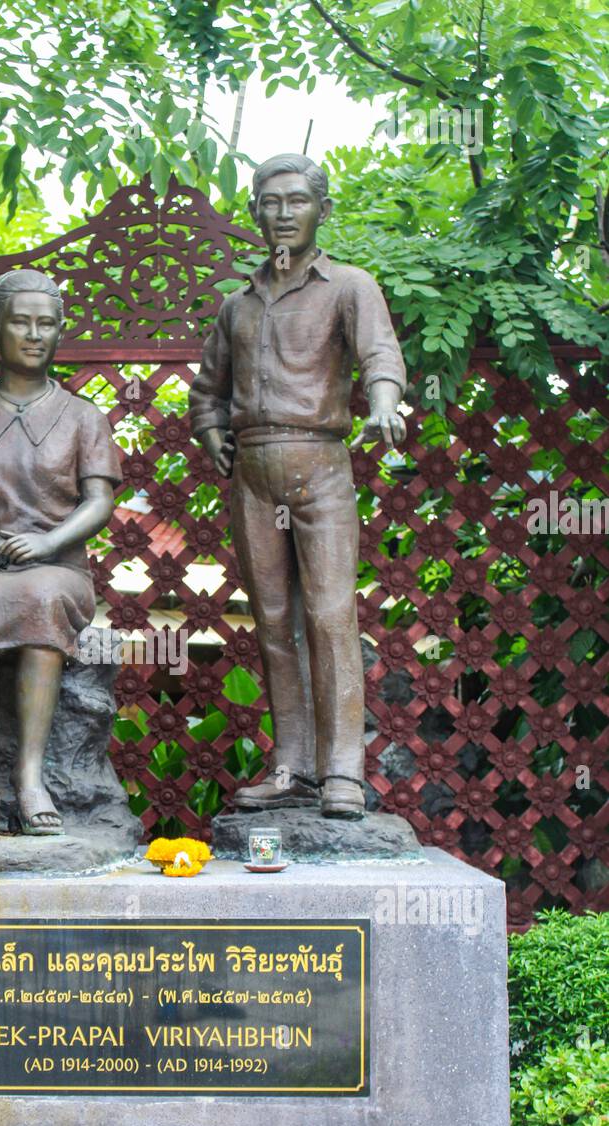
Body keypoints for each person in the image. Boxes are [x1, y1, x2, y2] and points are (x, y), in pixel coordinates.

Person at [189, 152, 407, 820]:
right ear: (253, 211)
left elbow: (379, 356)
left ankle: (342, 771)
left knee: (330, 614)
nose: (281, 213)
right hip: (252, 476)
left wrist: (382, 403)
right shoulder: (237, 305)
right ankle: (291, 766)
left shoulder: (348, 286)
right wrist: (210, 432)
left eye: (295, 201)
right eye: (269, 201)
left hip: (319, 467)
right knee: (273, 622)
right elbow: (208, 389)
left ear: (321, 209)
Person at [0, 269, 122, 839]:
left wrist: (50, 542)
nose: (34, 334)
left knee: (40, 596)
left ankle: (31, 777)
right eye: (20, 322)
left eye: (47, 324)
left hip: (58, 570)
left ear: (60, 332)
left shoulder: (85, 417)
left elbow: (98, 501)